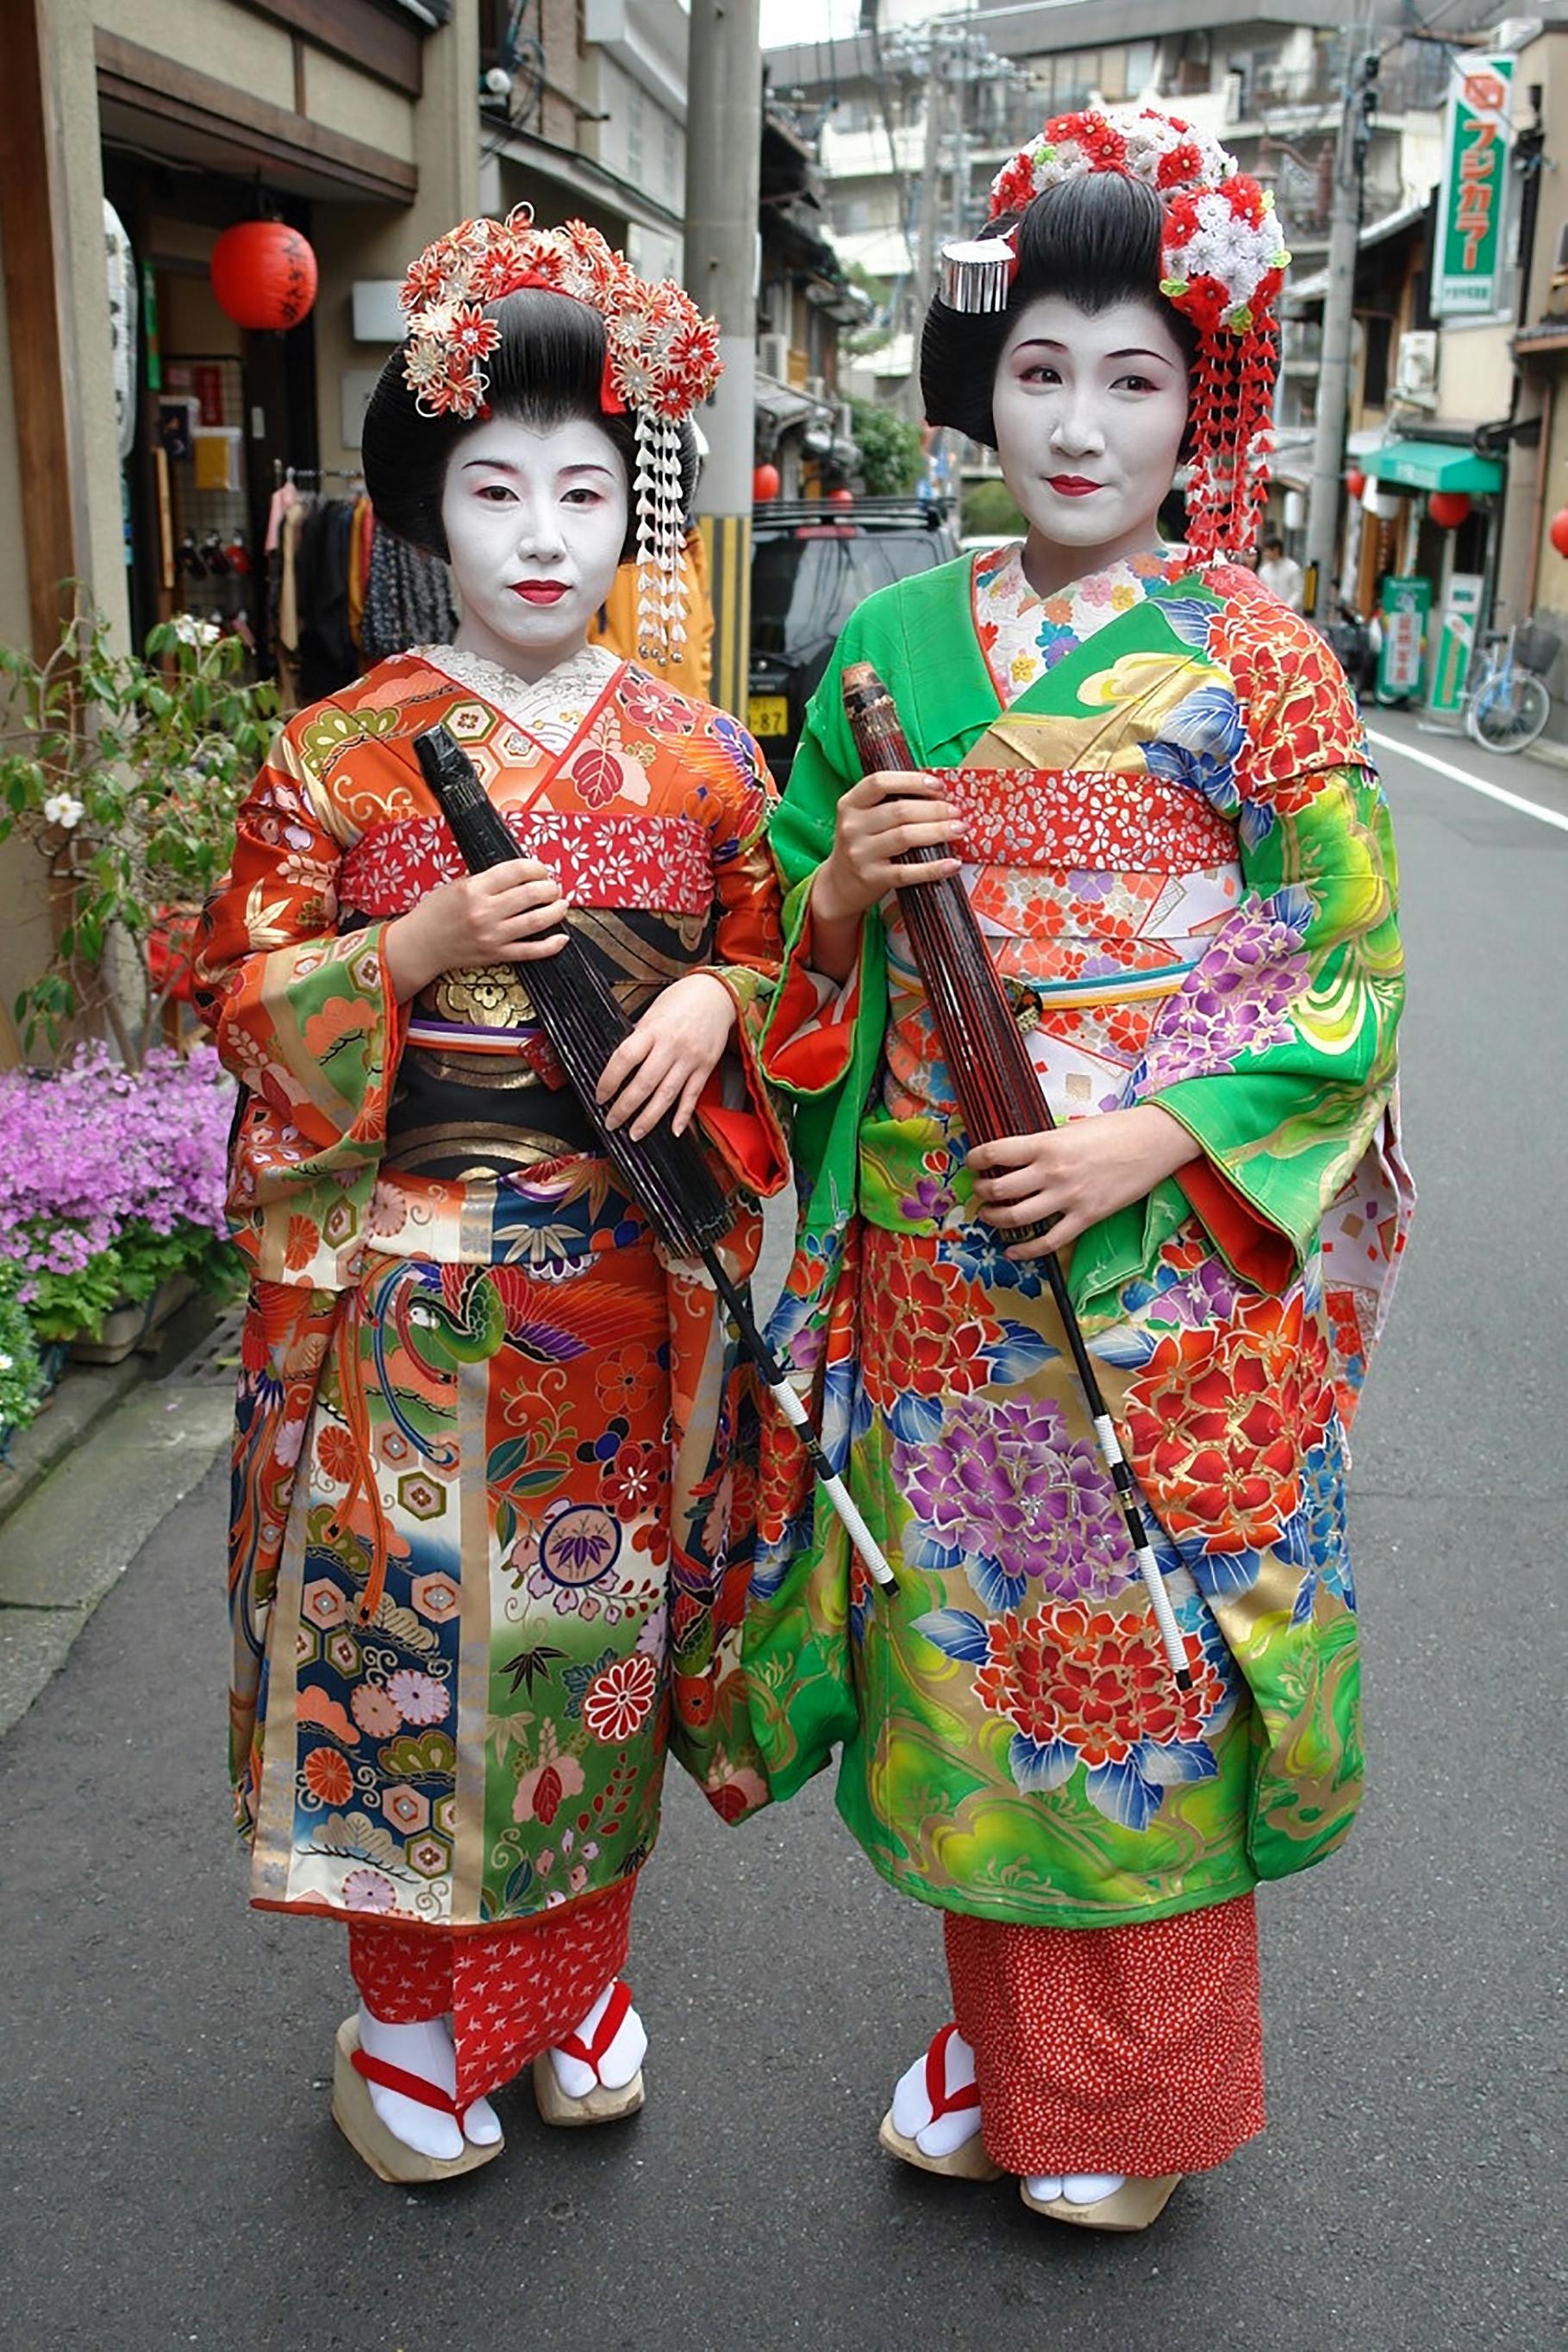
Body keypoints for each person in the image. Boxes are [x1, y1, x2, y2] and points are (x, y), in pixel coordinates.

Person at [747, 108, 1413, 2232]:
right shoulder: (881, 653)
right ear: (977, 383)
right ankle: (1006, 2044)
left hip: (1164, 1285)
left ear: (1190, 403)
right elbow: (785, 950)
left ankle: (1129, 2088)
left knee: (1144, 1668)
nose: (1074, 417)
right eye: (1036, 363)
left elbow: (1346, 971)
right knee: (967, 1665)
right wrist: (839, 888)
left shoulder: (1260, 660)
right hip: (948, 1272)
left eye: (1128, 374)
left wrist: (1149, 1128)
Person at [191, 210, 786, 2184]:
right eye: (493, 484)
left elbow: (789, 976)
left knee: (583, 1644)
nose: (541, 529)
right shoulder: (338, 755)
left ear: (636, 511)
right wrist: (412, 939)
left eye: (585, 487)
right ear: (424, 504)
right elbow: (235, 992)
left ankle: (565, 1994)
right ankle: (408, 2027)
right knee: (406, 1645)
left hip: (615, 1282)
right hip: (403, 1286)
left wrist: (709, 991)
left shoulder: (704, 764)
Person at [1258, 531, 1304, 611]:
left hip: (1289, 613)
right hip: (1269, 612)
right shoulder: (1263, 571)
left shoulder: (1292, 568)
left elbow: (1298, 591)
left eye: (1267, 551)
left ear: (1276, 550)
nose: (1265, 554)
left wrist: (1288, 607)